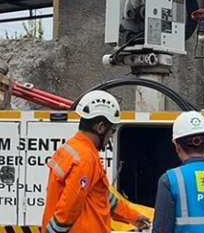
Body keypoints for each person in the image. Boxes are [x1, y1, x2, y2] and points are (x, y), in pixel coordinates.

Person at [42, 91, 150, 233]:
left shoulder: (71, 149)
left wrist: (133, 217)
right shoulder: (86, 158)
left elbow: (103, 196)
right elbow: (69, 206)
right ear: (100, 127)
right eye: (112, 131)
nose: (111, 137)